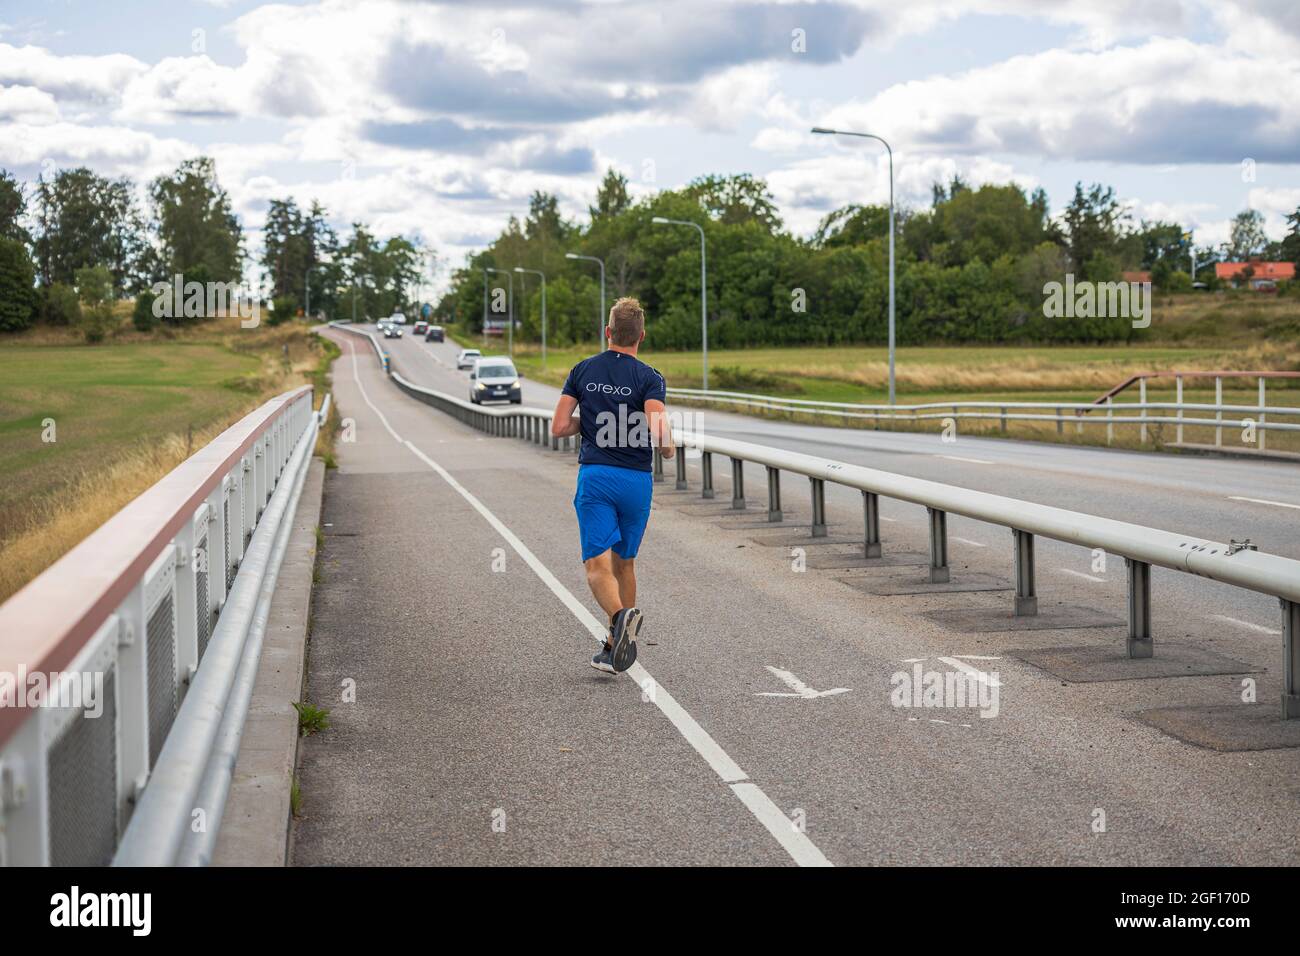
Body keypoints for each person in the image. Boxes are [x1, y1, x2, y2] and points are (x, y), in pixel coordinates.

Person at [550, 297, 676, 673]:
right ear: (641, 336)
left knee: (596, 564)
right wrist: (668, 450)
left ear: (608, 332)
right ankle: (615, 644)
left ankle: (621, 618)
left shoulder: (583, 370)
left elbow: (558, 427)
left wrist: (587, 425)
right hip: (637, 481)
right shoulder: (650, 377)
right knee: (625, 563)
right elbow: (659, 429)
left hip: (598, 477)